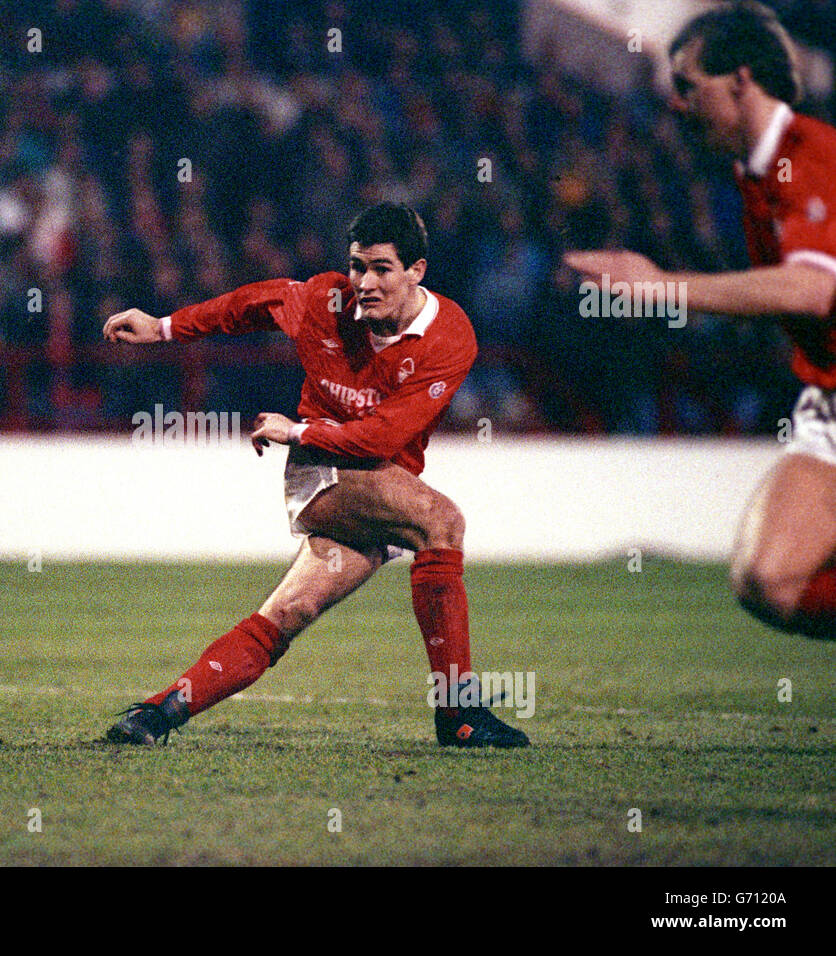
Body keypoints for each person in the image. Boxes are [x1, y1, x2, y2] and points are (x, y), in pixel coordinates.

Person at [101, 202, 529, 748]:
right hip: (324, 475)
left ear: (416, 270)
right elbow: (255, 301)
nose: (364, 283)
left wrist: (297, 430)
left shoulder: (450, 337)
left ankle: (155, 715)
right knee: (441, 521)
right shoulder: (326, 301)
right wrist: (163, 327)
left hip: (369, 469)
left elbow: (381, 438)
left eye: (380, 268)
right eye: (357, 266)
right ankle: (459, 716)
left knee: (289, 612)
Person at [566, 1, 836, 640]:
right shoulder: (757, 172)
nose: (678, 104)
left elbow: (811, 290)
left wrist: (662, 287)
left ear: (741, 79)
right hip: (826, 393)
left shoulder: (808, 155)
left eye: (688, 85)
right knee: (768, 580)